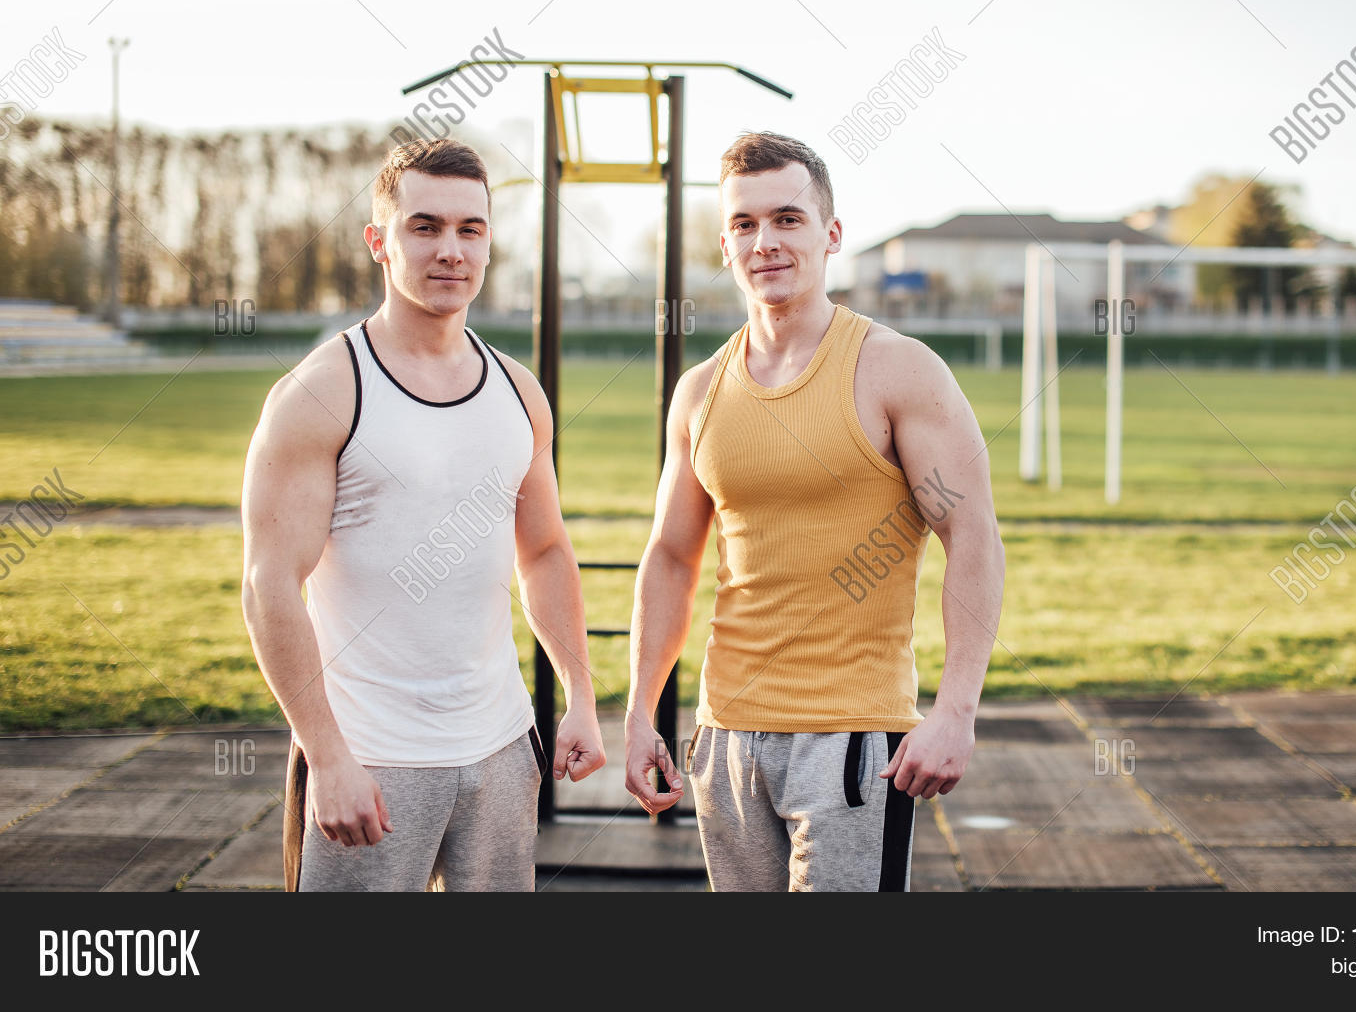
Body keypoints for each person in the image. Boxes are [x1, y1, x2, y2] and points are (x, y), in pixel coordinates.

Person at [624, 132, 1006, 891]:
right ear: (726, 242)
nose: (765, 241)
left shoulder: (897, 369)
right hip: (725, 736)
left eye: (788, 219)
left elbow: (972, 535)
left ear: (831, 235)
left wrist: (956, 709)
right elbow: (671, 555)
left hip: (853, 738)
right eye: (743, 224)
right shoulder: (700, 391)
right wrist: (640, 710)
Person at [242, 138, 604, 892]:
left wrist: (579, 698)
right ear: (379, 240)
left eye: (470, 229)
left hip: (502, 749)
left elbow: (543, 553)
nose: (450, 250)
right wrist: (329, 757)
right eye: (425, 226)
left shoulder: (518, 392)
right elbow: (269, 584)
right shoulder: (323, 392)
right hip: (369, 756)